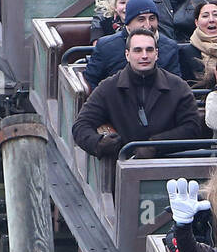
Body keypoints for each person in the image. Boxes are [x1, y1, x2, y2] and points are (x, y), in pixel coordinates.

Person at [71, 32, 202, 158]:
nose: (144, 56)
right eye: (138, 50)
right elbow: (81, 126)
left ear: (156, 54)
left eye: (149, 50)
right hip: (120, 169)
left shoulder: (178, 87)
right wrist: (100, 143)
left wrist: (154, 145)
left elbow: (192, 128)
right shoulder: (108, 88)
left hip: (169, 167)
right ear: (127, 55)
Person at [83, 0, 182, 87]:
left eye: (152, 18)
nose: (148, 25)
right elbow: (90, 81)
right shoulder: (106, 46)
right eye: (141, 19)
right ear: (128, 23)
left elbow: (175, 85)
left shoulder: (170, 47)